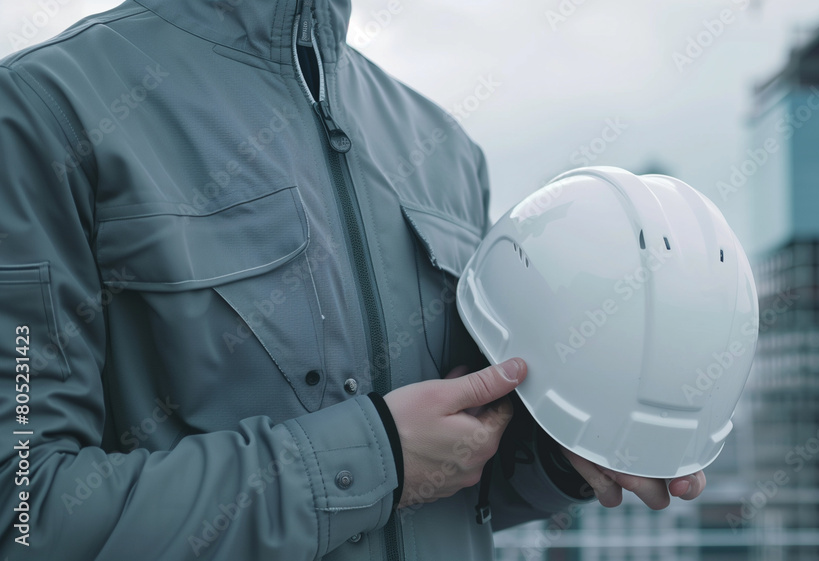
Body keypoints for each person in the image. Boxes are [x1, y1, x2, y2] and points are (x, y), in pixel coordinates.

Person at [0, 0, 705, 558]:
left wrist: (565, 456)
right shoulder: (44, 111)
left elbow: (458, 479)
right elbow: (25, 512)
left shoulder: (445, 150)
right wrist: (376, 461)